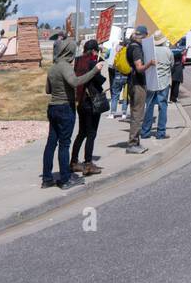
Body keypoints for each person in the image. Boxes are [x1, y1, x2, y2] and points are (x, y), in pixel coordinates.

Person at [42, 37, 104, 189]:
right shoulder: (65, 66)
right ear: (69, 50)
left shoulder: (53, 67)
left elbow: (48, 90)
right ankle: (65, 180)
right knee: (64, 145)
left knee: (51, 144)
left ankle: (47, 179)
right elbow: (74, 82)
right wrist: (94, 70)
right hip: (64, 108)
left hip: (53, 107)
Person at [70, 39, 106, 176]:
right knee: (91, 133)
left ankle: (73, 161)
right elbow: (99, 80)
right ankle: (88, 163)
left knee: (82, 132)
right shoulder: (93, 62)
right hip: (91, 101)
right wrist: (99, 60)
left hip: (81, 101)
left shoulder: (78, 61)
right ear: (94, 50)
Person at [125, 25, 155, 153]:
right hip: (138, 84)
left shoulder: (130, 46)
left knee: (135, 113)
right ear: (143, 36)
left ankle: (136, 142)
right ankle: (132, 144)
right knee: (138, 114)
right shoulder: (136, 49)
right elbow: (139, 68)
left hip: (132, 83)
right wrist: (150, 63)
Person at [141, 33, 173, 139]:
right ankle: (160, 133)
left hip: (151, 82)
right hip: (164, 82)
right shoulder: (168, 51)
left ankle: (145, 132)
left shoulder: (150, 51)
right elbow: (171, 64)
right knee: (162, 107)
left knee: (149, 107)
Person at [109, 40, 130, 119]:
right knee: (125, 96)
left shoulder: (119, 53)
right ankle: (124, 113)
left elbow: (114, 65)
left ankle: (112, 113)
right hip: (127, 77)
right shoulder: (129, 53)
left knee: (115, 95)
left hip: (118, 76)